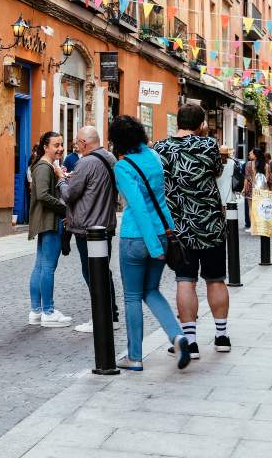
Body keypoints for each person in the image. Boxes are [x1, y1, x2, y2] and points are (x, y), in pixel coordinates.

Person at [108, 115, 191, 372]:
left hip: (136, 238)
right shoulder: (154, 158)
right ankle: (177, 336)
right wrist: (167, 236)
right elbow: (161, 201)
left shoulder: (123, 167)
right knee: (151, 290)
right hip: (163, 233)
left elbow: (139, 208)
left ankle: (134, 357)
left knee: (133, 296)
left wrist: (153, 246)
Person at [153, 104, 231, 357]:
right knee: (216, 280)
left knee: (185, 281)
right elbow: (217, 171)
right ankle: (221, 337)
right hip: (209, 223)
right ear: (201, 124)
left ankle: (191, 341)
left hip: (179, 227)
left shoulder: (161, 148)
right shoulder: (209, 145)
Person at [56, 125, 120, 333]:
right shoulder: (110, 158)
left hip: (88, 228)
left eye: (77, 143)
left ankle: (100, 319)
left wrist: (61, 179)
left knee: (91, 272)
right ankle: (112, 314)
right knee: (103, 271)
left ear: (84, 143)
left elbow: (69, 195)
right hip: (106, 225)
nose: (76, 146)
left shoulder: (86, 162)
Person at [26, 131, 72, 328]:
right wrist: (65, 209)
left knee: (40, 266)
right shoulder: (44, 167)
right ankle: (48, 312)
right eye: (56, 145)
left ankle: (36, 311)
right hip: (49, 221)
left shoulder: (47, 166)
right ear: (45, 147)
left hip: (45, 221)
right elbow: (43, 195)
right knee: (47, 267)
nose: (60, 148)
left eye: (61, 144)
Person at [242, 148, 272, 232]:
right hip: (263, 191)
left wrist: (244, 188)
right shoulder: (266, 165)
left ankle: (253, 227)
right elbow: (270, 180)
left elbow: (247, 178)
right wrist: (271, 190)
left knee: (251, 208)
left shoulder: (249, 164)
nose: (249, 155)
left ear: (255, 155)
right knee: (262, 208)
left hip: (251, 190)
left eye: (251, 154)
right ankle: (262, 226)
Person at [216, 146, 244, 210]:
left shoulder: (231, 162)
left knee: (226, 207)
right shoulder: (218, 162)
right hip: (220, 188)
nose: (223, 156)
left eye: (224, 155)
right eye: (222, 155)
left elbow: (237, 176)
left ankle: (224, 218)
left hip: (228, 188)